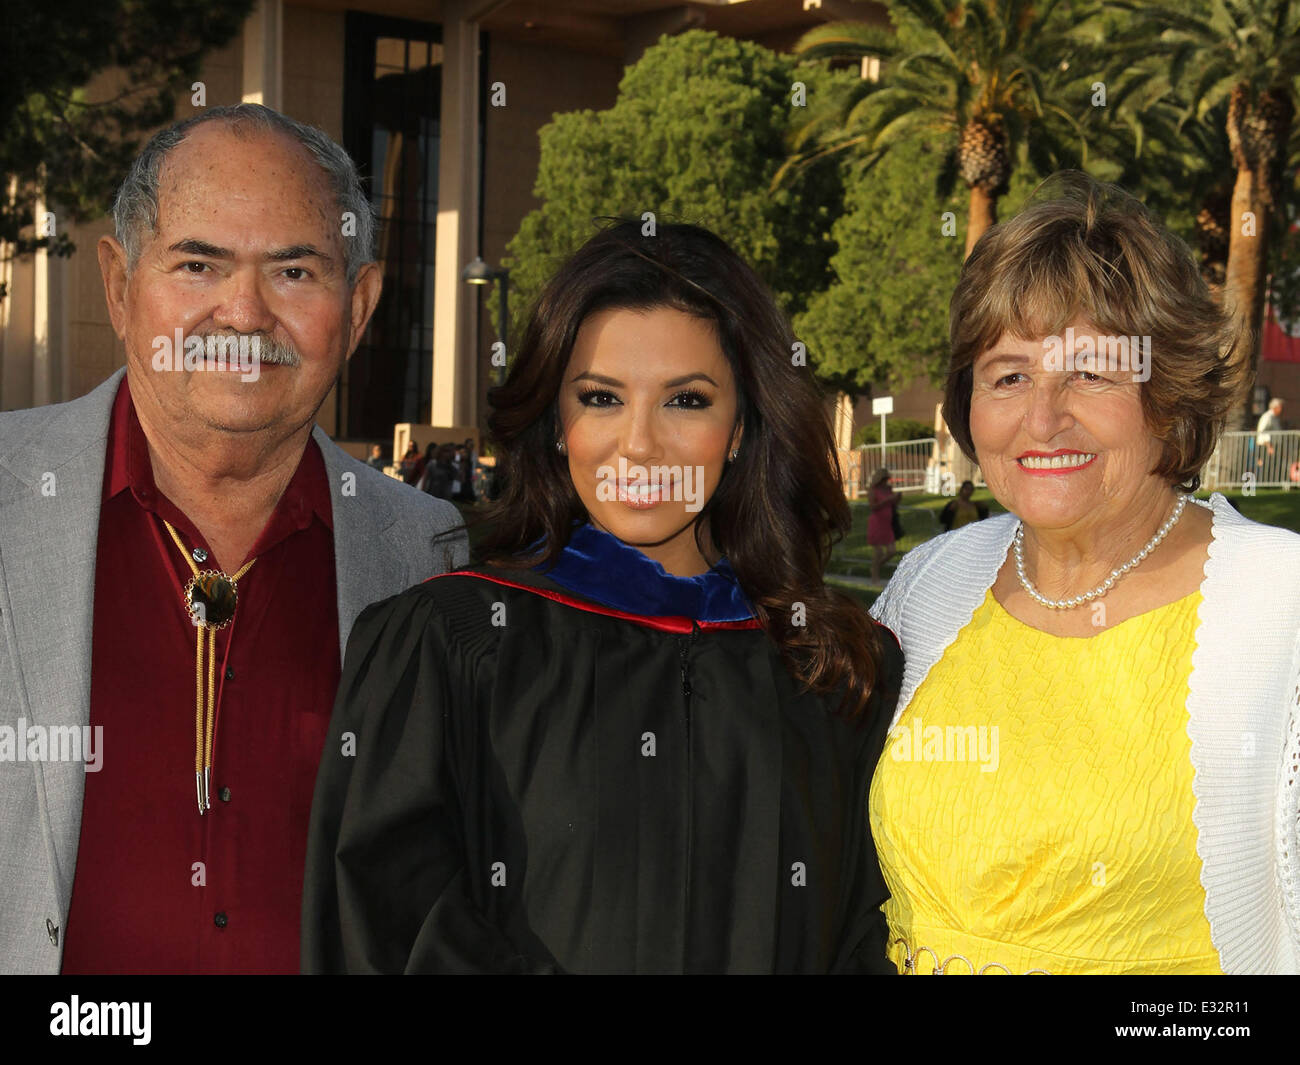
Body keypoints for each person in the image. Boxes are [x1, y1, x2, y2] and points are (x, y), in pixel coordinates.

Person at [302, 220, 902, 974]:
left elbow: (857, 940)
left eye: (686, 400)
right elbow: (384, 928)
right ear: (557, 423)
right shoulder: (450, 647)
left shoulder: (827, 670)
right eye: (600, 398)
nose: (640, 444)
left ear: (743, 424)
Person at [0, 103, 468, 975]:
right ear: (118, 285)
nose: (244, 314)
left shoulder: (427, 552)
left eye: (294, 270)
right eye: (197, 263)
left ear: (358, 307)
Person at [869, 172, 1300, 974]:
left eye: (1091, 372)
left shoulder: (1283, 612)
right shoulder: (929, 587)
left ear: (1168, 390)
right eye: (1009, 374)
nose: (1042, 417)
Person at [866, 467, 902, 581]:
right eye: (883, 479)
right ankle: (874, 576)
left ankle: (875, 568)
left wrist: (897, 498)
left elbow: (893, 504)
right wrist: (887, 500)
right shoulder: (873, 490)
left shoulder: (888, 489)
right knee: (879, 552)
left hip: (887, 523)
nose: (885, 482)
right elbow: (872, 506)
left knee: (892, 551)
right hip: (877, 522)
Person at [1256, 397, 1284, 481]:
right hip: (1265, 446)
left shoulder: (1275, 418)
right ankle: (1263, 482)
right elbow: (1262, 431)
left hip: (1272, 445)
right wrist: (1269, 446)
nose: (1281, 409)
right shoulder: (1267, 417)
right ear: (1275, 407)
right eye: (1280, 407)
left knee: (1272, 465)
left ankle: (1270, 481)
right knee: (1265, 465)